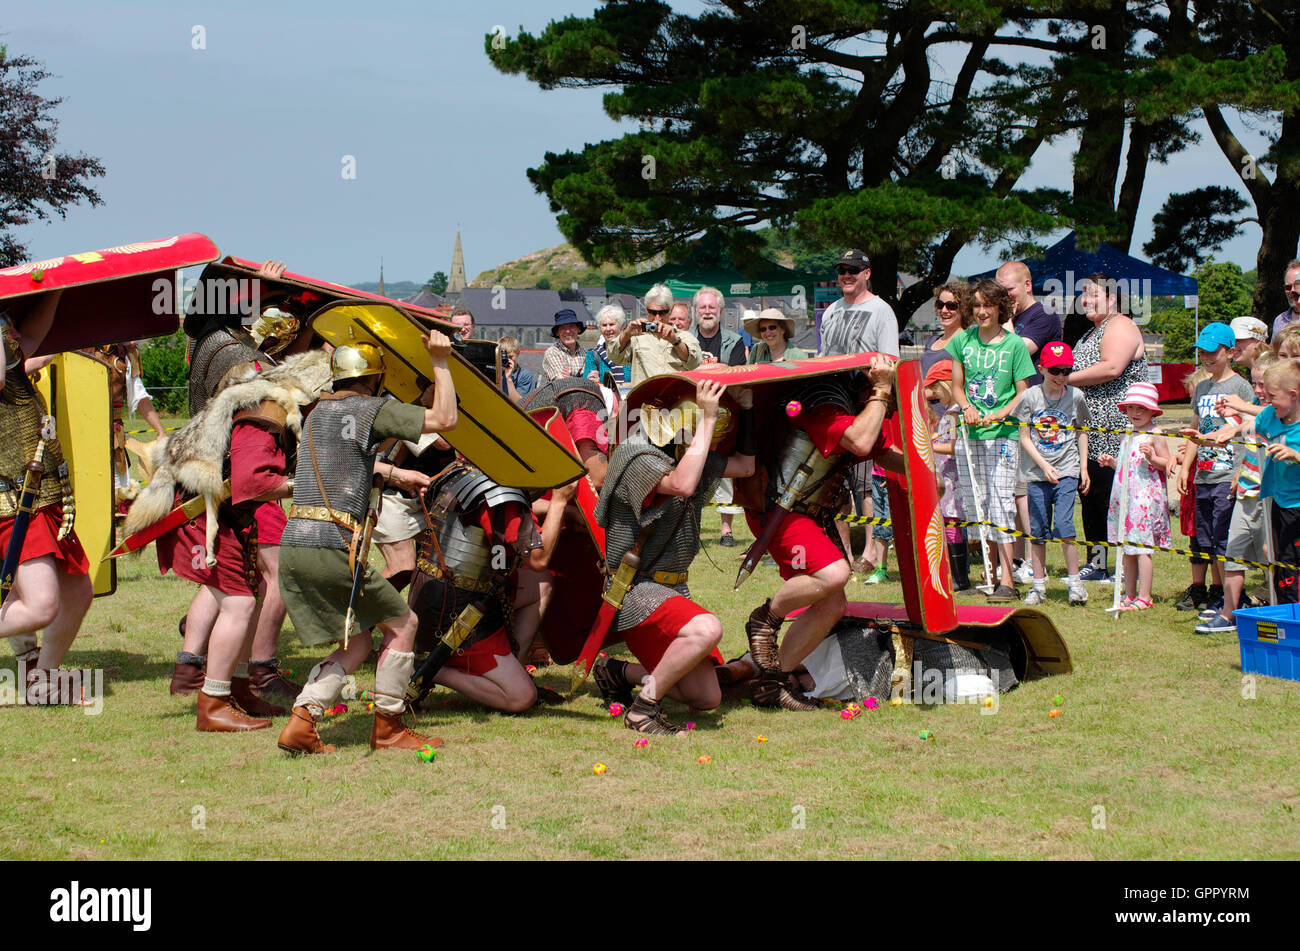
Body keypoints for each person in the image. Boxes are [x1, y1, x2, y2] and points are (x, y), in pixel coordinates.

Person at [275, 333, 458, 755]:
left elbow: (347, 459)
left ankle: (302, 721)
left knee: (357, 642)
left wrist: (395, 475)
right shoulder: (369, 408)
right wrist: (440, 362)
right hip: (332, 546)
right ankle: (389, 727)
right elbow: (445, 419)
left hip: (297, 542)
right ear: (374, 380)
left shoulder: (318, 412)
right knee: (404, 624)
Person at [591, 379, 755, 735]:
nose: (709, 442)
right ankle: (643, 710)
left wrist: (749, 408)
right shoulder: (635, 455)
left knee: (706, 697)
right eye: (704, 431)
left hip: (672, 591)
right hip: (636, 591)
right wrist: (708, 418)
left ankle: (619, 672)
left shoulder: (683, 454)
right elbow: (681, 484)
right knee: (707, 628)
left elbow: (745, 467)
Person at [741, 358, 900, 710]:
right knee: (834, 574)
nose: (886, 405)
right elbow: (859, 441)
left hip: (809, 515)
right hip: (782, 512)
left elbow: (882, 451)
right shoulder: (822, 400)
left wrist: (925, 471)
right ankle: (765, 618)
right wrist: (883, 389)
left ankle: (773, 681)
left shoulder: (856, 404)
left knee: (832, 603)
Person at [406, 463, 576, 712]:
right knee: (521, 698)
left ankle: (510, 669)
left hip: (432, 592)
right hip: (460, 610)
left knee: (539, 586)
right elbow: (538, 559)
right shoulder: (500, 495)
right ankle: (428, 669)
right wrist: (560, 501)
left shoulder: (460, 471)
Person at [0, 291, 95, 705]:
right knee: (40, 606)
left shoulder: (14, 353)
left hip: (44, 494)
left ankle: (42, 681)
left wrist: (57, 288)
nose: (15, 334)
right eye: (7, 332)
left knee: (78, 592)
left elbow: (33, 336)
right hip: (13, 499)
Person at [947, 279, 1034, 601]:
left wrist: (1001, 413)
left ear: (1001, 308)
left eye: (989, 305)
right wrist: (967, 408)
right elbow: (957, 386)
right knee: (977, 506)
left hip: (1003, 436)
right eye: (977, 305)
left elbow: (1024, 391)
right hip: (970, 436)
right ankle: (990, 572)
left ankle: (1008, 581)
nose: (982, 312)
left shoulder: (1014, 346)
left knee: (1000, 505)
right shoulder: (962, 341)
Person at [1065, 273, 1149, 583]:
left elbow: (1112, 367)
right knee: (1093, 500)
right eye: (1083, 294)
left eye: (1092, 293)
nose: (1085, 299)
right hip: (1092, 432)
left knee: (1122, 499)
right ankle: (1098, 564)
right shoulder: (1090, 332)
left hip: (1119, 430)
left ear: (1113, 298)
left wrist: (1064, 379)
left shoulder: (1121, 325)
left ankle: (1131, 569)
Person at [1176, 323, 1253, 617]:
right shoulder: (1203, 387)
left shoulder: (1241, 387)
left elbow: (1248, 431)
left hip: (1227, 473)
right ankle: (1214, 593)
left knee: (1224, 538)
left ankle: (1229, 597)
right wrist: (1185, 469)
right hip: (1204, 475)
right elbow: (1196, 430)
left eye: (1213, 352)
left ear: (1230, 352)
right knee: (1206, 538)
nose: (1206, 358)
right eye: (1202, 353)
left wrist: (1239, 472)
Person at [1196, 353, 1276, 633]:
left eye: (1263, 385)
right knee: (1233, 553)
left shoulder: (1279, 413)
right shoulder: (1256, 408)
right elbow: (1240, 432)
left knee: (1271, 554)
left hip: (1271, 496)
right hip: (1247, 490)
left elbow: (1262, 420)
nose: (1258, 391)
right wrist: (1202, 436)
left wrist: (1241, 409)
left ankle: (1277, 610)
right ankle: (1229, 614)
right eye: (1255, 384)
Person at [997, 261, 1062, 583]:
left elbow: (1015, 351)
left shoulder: (1044, 317)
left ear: (1027, 285)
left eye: (1008, 290)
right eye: (1000, 290)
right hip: (1006, 414)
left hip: (1035, 417)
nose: (1004, 296)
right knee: (1009, 490)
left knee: (1028, 492)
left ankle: (1035, 562)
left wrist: (1004, 319)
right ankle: (1016, 558)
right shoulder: (1005, 319)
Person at [1015, 341, 1091, 606]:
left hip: (1067, 468)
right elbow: (1024, 436)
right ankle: (1037, 586)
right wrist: (1043, 465)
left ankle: (1075, 584)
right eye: (1055, 370)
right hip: (1037, 472)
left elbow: (1081, 430)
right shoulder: (1030, 397)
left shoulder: (1076, 396)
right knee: (1038, 530)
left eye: (1066, 371)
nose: (1060, 376)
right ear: (1042, 369)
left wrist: (1083, 467)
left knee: (1064, 525)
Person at [1098, 382, 1172, 611]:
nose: (1136, 413)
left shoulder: (1155, 434)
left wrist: (1152, 457)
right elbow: (1126, 465)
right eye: (1131, 408)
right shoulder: (1127, 434)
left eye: (1141, 408)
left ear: (1153, 411)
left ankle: (1145, 596)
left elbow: (1167, 463)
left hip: (1145, 500)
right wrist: (1112, 463)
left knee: (1142, 548)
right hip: (1125, 499)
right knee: (1127, 548)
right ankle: (1129, 594)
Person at [693, 287, 747, 546]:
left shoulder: (733, 340)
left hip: (725, 415)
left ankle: (726, 530)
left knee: (724, 470)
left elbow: (737, 372)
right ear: (695, 311)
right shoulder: (685, 339)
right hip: (690, 413)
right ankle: (690, 526)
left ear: (720, 311)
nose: (707, 312)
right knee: (689, 467)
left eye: (711, 308)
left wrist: (710, 368)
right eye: (702, 307)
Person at [1253, 357, 1300, 604]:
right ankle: (1285, 614)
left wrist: (1296, 455)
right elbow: (1249, 426)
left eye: (1272, 396)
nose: (1267, 402)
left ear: (1293, 395)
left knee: (1295, 563)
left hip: (1298, 506)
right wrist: (1217, 434)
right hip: (1278, 503)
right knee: (1281, 562)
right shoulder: (1270, 416)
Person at [924, 363, 968, 591]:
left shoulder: (954, 413)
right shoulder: (950, 411)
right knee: (948, 523)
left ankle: (960, 578)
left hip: (952, 478)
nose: (933, 393)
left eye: (935, 387)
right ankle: (955, 575)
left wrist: (928, 443)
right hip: (945, 476)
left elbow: (954, 446)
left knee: (952, 523)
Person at [605, 284, 701, 387]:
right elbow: (614, 357)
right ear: (646, 310)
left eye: (662, 313)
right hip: (644, 399)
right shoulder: (636, 337)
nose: (657, 318)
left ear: (670, 310)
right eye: (652, 312)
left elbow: (694, 363)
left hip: (674, 399)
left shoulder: (685, 337)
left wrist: (675, 341)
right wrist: (626, 334)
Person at [817, 249, 899, 359]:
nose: (846, 275)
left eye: (853, 270)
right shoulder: (830, 310)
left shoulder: (882, 311)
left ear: (867, 274)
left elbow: (890, 362)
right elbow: (823, 355)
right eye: (842, 270)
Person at [921, 282, 969, 381]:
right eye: (940, 304)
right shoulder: (931, 341)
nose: (944, 310)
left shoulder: (967, 342)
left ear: (964, 308)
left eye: (951, 306)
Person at [542, 309, 587, 382]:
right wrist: (583, 379)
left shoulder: (586, 353)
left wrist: (571, 378)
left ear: (578, 329)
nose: (568, 331)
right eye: (563, 328)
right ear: (557, 333)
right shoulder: (552, 353)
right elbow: (563, 383)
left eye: (571, 326)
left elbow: (592, 380)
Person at [497, 335, 535, 403]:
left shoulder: (525, 376)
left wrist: (508, 379)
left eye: (510, 357)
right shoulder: (495, 373)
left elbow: (519, 404)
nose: (507, 360)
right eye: (502, 357)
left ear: (518, 353)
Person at [1271, 259, 1300, 343]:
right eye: (1288, 287)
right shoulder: (1279, 320)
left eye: (1297, 286)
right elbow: (1274, 352)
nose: (1292, 291)